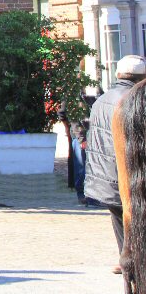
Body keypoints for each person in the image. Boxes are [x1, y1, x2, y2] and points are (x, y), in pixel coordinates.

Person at [85, 54, 146, 274]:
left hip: (105, 175)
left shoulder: (101, 100)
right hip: (128, 173)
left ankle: (126, 258)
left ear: (119, 74)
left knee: (119, 217)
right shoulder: (135, 99)